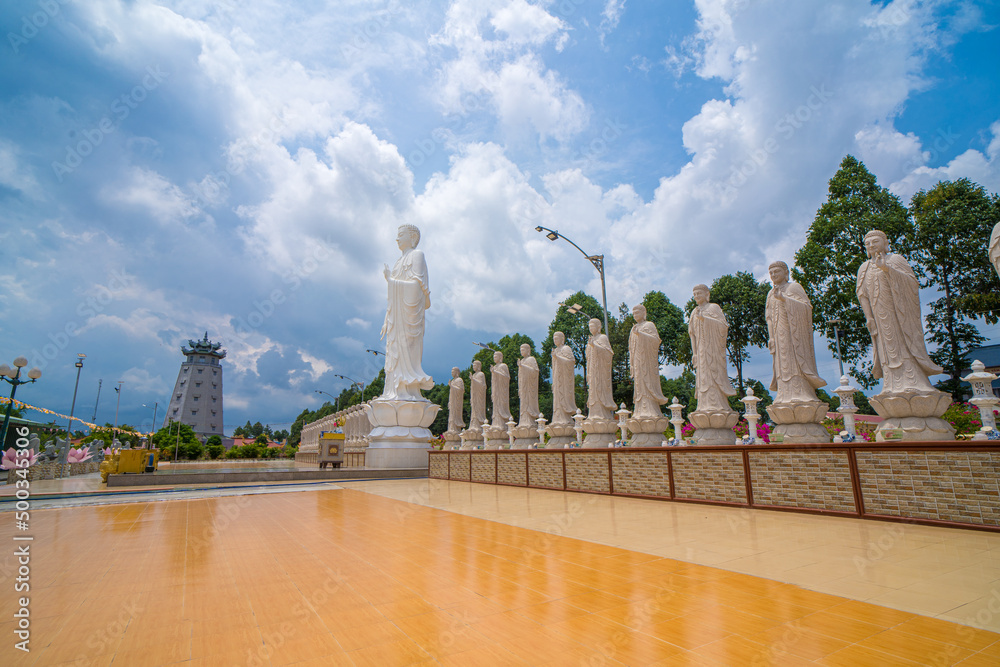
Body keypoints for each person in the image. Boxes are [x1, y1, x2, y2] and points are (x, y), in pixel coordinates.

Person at [856, 229, 940, 392]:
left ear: (885, 243)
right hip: (879, 317)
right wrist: (869, 317)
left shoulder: (895, 259)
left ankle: (913, 381)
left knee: (902, 343)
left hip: (899, 314)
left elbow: (911, 284)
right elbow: (862, 294)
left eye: (875, 241)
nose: (872, 245)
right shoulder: (864, 268)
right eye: (868, 243)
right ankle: (891, 382)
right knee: (885, 348)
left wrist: (887, 269)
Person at [380, 224, 433, 400]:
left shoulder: (417, 255)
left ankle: (408, 392)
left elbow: (417, 288)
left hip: (409, 318)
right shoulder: (397, 263)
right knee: (393, 354)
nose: (397, 239)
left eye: (401, 235)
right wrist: (388, 318)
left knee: (407, 349)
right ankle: (392, 392)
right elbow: (391, 298)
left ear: (412, 237)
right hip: (397, 318)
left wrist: (391, 281)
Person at [766, 261, 826, 403]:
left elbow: (806, 308)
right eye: (771, 273)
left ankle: (801, 393)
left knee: (794, 362)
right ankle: (784, 393)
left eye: (777, 272)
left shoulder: (794, 287)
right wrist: (771, 337)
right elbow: (768, 317)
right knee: (782, 363)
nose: (774, 275)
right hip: (778, 336)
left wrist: (785, 299)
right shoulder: (770, 294)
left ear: (786, 273)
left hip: (794, 335)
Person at [688, 285, 736, 411]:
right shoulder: (694, 312)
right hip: (701, 351)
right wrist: (695, 353)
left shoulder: (713, 307)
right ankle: (703, 405)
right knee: (703, 377)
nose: (697, 296)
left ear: (706, 294)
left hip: (713, 350)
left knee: (714, 374)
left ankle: (718, 405)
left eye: (699, 293)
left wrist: (705, 319)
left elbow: (723, 326)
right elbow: (692, 334)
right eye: (695, 294)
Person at [629, 305, 669, 418]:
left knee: (648, 382)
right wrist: (631, 364)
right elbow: (631, 349)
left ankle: (651, 409)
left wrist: (640, 334)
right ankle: (639, 410)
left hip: (647, 362)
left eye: (637, 312)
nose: (635, 315)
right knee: (639, 384)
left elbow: (656, 341)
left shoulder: (649, 325)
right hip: (637, 362)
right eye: (634, 313)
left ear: (643, 313)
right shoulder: (633, 329)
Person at [585, 318, 615, 420]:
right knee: (593, 393)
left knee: (600, 390)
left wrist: (595, 346)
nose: (590, 328)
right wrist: (588, 372)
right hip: (592, 372)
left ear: (598, 327)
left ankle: (602, 414)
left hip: (601, 372)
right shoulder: (590, 341)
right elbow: (588, 358)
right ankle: (593, 414)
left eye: (592, 326)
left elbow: (608, 353)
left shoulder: (602, 338)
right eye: (589, 326)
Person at [551, 331, 577, 424]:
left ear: (562, 339)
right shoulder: (555, 351)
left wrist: (558, 357)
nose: (555, 340)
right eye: (554, 338)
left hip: (565, 380)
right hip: (557, 379)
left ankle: (565, 418)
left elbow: (570, 361)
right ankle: (557, 418)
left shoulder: (566, 348)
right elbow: (554, 369)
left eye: (557, 338)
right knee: (557, 399)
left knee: (564, 396)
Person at [517, 344, 540, 427]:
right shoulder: (522, 361)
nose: (521, 352)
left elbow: (535, 371)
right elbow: (519, 377)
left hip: (529, 387)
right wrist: (519, 388)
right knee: (523, 405)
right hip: (523, 387)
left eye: (523, 350)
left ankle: (530, 421)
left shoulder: (531, 359)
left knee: (529, 403)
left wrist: (523, 367)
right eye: (521, 350)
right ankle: (523, 421)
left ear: (528, 350)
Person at [490, 351, 511, 427]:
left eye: (495, 356)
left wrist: (495, 372)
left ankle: (502, 424)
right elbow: (493, 382)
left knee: (501, 406)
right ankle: (495, 423)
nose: (494, 358)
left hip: (502, 391)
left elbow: (506, 377)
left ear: (500, 357)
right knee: (495, 407)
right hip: (496, 391)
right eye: (494, 357)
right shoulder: (494, 367)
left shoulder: (503, 366)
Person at [446, 367, 465, 433]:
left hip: (457, 401)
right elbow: (451, 393)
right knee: (451, 415)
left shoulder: (459, 380)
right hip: (452, 401)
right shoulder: (453, 381)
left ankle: (456, 429)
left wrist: (452, 386)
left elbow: (460, 390)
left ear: (457, 372)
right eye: (451, 371)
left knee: (455, 415)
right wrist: (449, 401)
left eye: (453, 371)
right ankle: (451, 428)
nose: (452, 373)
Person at [469, 360, 486, 430]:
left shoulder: (481, 374)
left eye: (475, 365)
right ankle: (473, 425)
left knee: (478, 410)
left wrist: (473, 380)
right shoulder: (474, 375)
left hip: (479, 396)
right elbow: (472, 388)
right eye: (473, 365)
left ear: (479, 366)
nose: (473, 367)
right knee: (474, 412)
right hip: (474, 396)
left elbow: (482, 385)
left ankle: (479, 425)